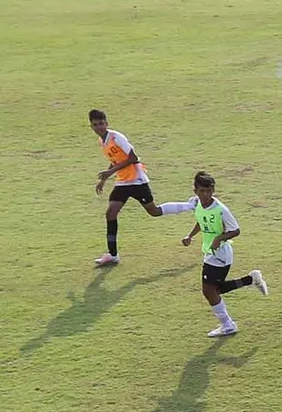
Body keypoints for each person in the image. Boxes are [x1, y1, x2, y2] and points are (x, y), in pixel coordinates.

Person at [158, 171, 268, 338]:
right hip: (210, 252)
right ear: (195, 191)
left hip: (220, 254)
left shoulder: (221, 210)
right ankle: (250, 280)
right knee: (214, 289)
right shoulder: (197, 203)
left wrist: (219, 238)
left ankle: (228, 324)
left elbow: (235, 230)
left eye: (209, 191)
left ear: (213, 190)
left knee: (209, 291)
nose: (206, 195)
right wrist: (190, 235)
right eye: (202, 191)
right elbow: (201, 220)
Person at [90, 109, 163, 265]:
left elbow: (133, 157)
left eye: (101, 123)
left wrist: (111, 171)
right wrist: (105, 178)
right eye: (95, 125)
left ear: (106, 123)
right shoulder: (102, 142)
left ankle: (189, 205)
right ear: (92, 127)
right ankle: (113, 254)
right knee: (110, 213)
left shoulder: (116, 137)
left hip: (137, 180)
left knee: (154, 211)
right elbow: (116, 160)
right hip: (123, 181)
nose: (99, 127)